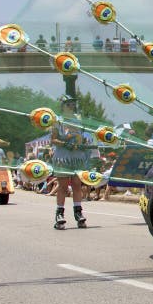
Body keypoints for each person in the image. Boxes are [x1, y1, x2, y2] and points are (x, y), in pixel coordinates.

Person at [50, 96, 88, 229]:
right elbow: (53, 139)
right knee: (63, 186)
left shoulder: (78, 119)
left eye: (73, 104)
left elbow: (81, 136)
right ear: (63, 106)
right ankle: (59, 214)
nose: (72, 106)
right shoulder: (57, 121)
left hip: (77, 157)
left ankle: (78, 213)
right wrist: (65, 144)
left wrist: (83, 143)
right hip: (63, 157)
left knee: (77, 184)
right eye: (69, 104)